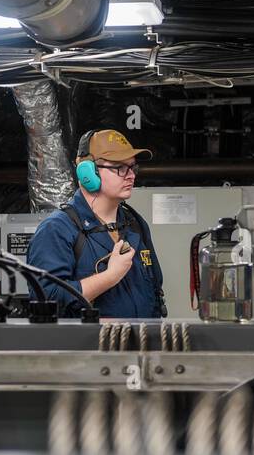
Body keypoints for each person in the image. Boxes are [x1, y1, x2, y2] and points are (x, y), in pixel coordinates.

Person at [27, 129, 166, 318]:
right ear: (88, 172)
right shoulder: (57, 230)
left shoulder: (135, 225)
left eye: (132, 167)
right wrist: (109, 277)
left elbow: (154, 292)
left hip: (139, 343)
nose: (131, 175)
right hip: (89, 346)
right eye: (120, 167)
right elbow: (47, 302)